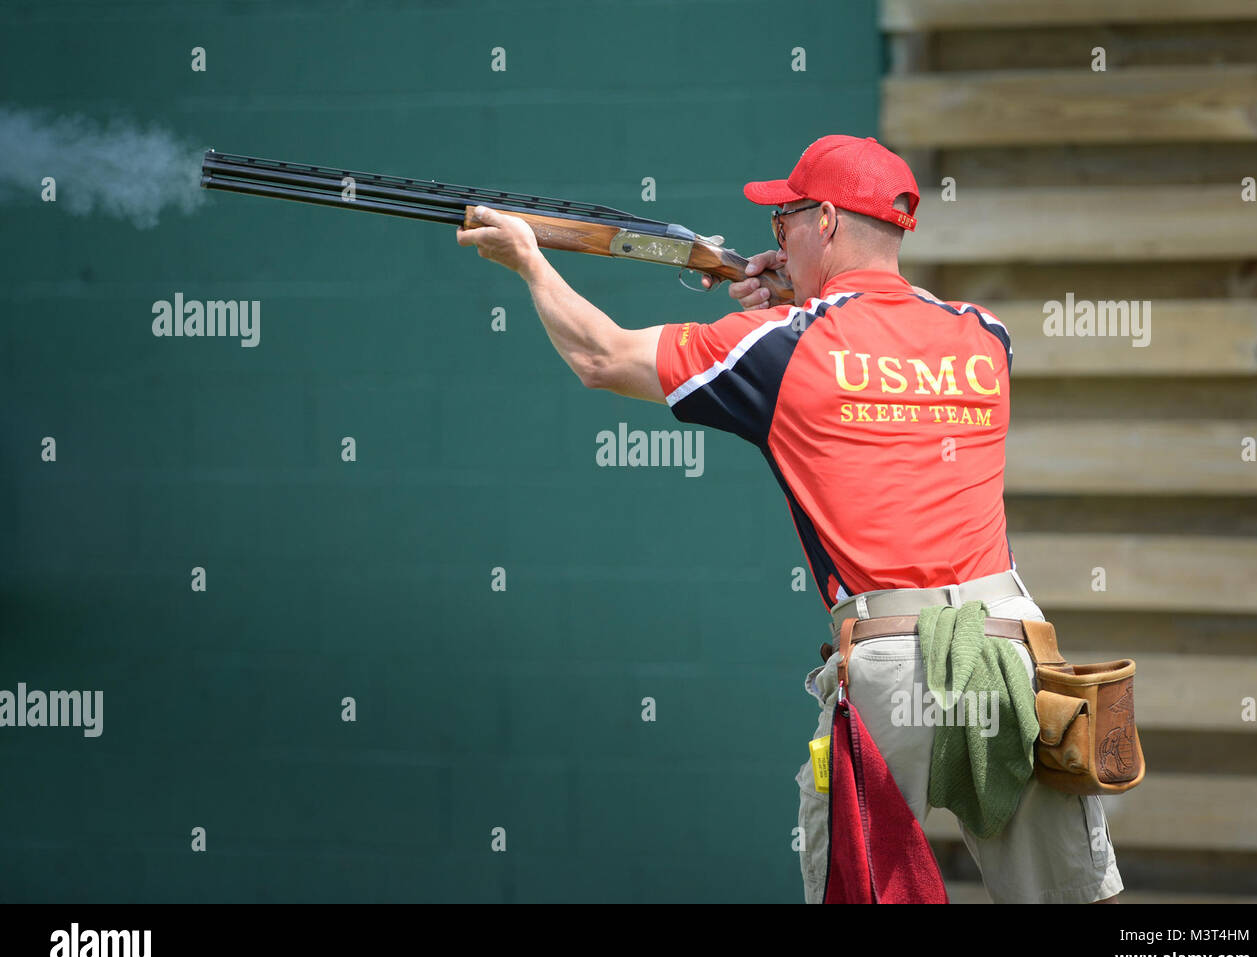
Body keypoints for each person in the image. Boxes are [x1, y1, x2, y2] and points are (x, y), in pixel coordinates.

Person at [456, 134, 1122, 905]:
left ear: (826, 221)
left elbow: (600, 357)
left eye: (785, 222)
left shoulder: (781, 344)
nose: (776, 238)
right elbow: (881, 370)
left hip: (888, 661)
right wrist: (798, 300)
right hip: (1012, 653)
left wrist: (530, 259)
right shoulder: (985, 335)